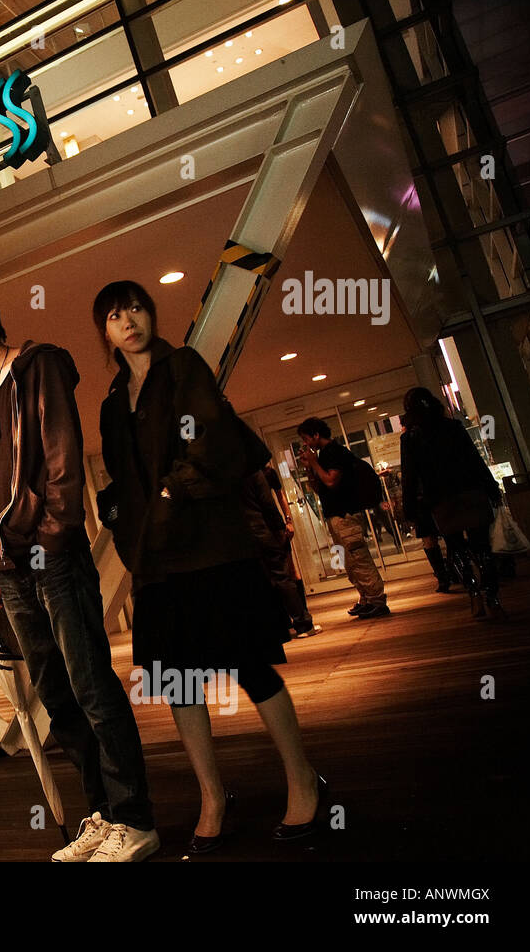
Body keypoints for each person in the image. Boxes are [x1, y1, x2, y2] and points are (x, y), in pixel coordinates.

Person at [0, 274, 157, 862]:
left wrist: (49, 542)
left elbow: (62, 467)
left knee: (91, 684)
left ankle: (135, 818)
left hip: (53, 559)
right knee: (55, 695)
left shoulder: (42, 366)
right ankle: (102, 814)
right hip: (10, 571)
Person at [94, 280, 325, 850]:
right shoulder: (111, 402)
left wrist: (170, 498)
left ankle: (303, 782)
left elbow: (211, 443)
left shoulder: (184, 367)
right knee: (179, 683)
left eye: (138, 309)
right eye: (117, 315)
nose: (130, 321)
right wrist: (126, 520)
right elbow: (120, 481)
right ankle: (213, 795)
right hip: (157, 561)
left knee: (251, 665)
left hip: (214, 548)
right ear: (105, 331)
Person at [399, 387, 503, 618]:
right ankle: (493, 598)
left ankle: (474, 594)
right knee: (482, 547)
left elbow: (410, 475)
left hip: (440, 499)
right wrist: (491, 486)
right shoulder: (453, 427)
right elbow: (474, 459)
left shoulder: (410, 438)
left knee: (457, 549)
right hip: (470, 490)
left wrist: (410, 509)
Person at [296, 417, 391, 618]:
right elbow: (318, 488)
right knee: (348, 561)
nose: (305, 443)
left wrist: (314, 462)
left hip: (345, 513)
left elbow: (331, 481)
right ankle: (366, 598)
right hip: (335, 515)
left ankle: (377, 600)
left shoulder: (335, 452)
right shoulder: (323, 455)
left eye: (306, 438)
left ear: (316, 434)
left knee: (358, 558)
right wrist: (309, 467)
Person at [242, 466, 320, 638]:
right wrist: (282, 525)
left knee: (266, 579)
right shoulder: (256, 472)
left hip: (246, 533)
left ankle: (281, 624)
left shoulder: (227, 473)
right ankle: (303, 622)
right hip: (266, 528)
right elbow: (268, 502)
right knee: (284, 575)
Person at [262, 464, 323, 629]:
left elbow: (280, 495)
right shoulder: (251, 474)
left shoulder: (267, 473)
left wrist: (288, 520)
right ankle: (296, 616)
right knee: (280, 574)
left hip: (275, 525)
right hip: (268, 527)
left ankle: (301, 612)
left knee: (290, 570)